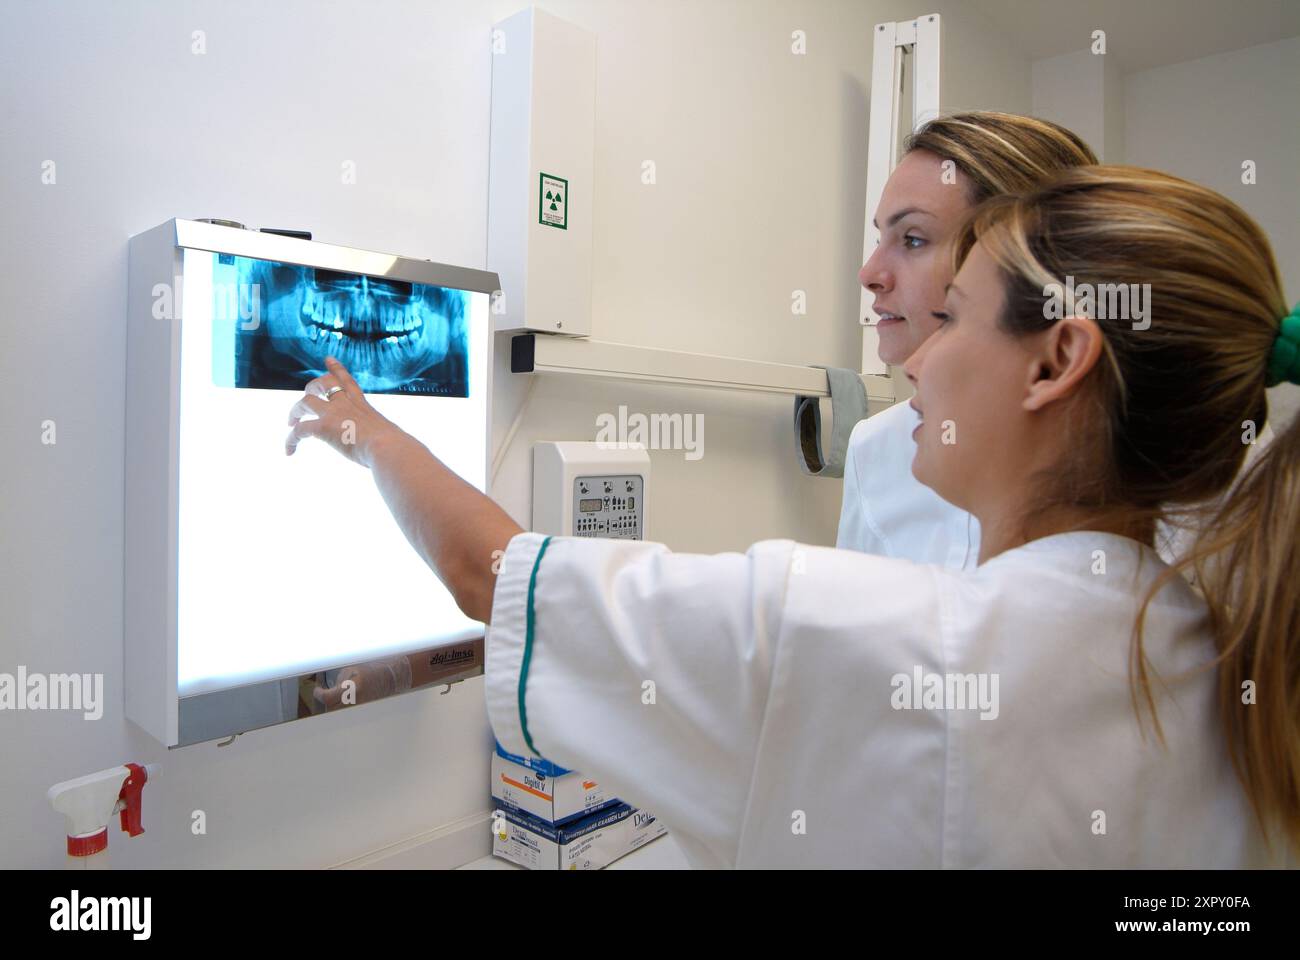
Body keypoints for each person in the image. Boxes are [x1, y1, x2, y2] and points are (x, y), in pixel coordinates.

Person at [286, 167, 1298, 868]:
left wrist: (368, 428)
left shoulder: (843, 634)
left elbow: (488, 571)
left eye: (951, 317)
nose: (918, 359)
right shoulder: (1236, 659)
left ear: (1054, 361)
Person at [839, 112, 1097, 567]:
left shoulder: (1172, 462)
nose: (869, 274)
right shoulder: (876, 449)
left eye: (913, 239)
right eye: (881, 237)